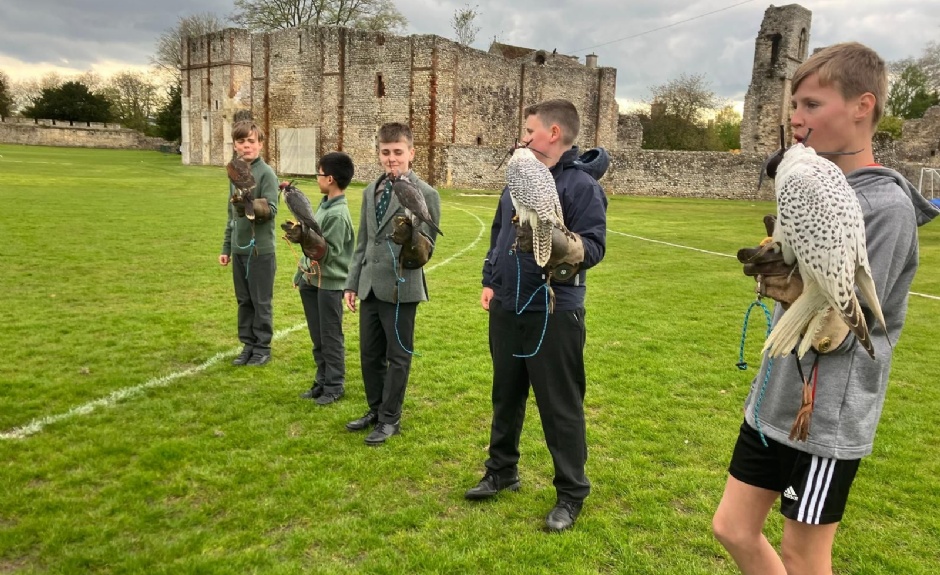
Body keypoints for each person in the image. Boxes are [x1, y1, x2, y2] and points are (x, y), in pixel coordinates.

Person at [713, 42, 939, 574]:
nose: (796, 117)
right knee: (733, 528)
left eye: (812, 105)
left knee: (803, 556)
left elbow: (843, 327)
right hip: (775, 396)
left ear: (863, 106)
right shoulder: (806, 180)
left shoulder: (884, 205)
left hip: (824, 414)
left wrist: (802, 288)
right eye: (794, 105)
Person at [464, 99, 608, 532]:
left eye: (530, 130)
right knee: (505, 394)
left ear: (554, 133)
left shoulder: (582, 187)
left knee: (559, 406)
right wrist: (491, 279)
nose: (523, 138)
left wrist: (566, 247)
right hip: (508, 304)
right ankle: (501, 470)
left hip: (554, 310)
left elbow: (595, 248)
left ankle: (571, 493)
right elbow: (498, 232)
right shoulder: (520, 174)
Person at [343, 122, 442, 446]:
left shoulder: (426, 194)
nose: (391, 159)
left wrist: (412, 237)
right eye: (386, 153)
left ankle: (390, 419)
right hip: (371, 284)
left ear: (411, 153)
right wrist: (352, 284)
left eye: (398, 152)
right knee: (370, 355)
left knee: (398, 356)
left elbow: (427, 248)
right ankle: (375, 409)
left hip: (402, 286)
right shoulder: (370, 190)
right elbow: (362, 243)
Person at [291, 152, 356, 405]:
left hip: (329, 284)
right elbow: (312, 248)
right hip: (311, 282)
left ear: (329, 178)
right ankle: (321, 381)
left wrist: (309, 242)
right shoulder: (325, 205)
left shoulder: (338, 215)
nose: (317, 179)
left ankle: (335, 386)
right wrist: (301, 273)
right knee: (317, 337)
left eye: (319, 174)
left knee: (330, 336)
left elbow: (329, 255)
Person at [219, 120, 280, 367]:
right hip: (239, 247)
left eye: (251, 141)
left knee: (260, 301)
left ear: (260, 144)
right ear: (235, 145)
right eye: (241, 141)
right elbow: (230, 214)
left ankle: (262, 347)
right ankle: (248, 344)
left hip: (260, 250)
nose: (246, 146)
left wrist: (248, 205)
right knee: (244, 301)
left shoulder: (266, 173)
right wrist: (226, 247)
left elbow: (272, 210)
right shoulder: (235, 171)